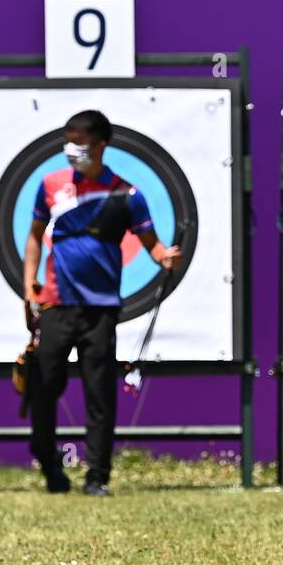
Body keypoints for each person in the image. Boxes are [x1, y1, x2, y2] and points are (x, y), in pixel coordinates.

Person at [22, 110, 182, 496]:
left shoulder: (126, 195)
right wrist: (29, 287)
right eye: (67, 140)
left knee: (99, 392)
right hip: (56, 304)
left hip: (100, 308)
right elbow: (33, 237)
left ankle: (97, 477)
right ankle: (48, 462)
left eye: (79, 142)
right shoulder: (51, 184)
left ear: (100, 146)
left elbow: (152, 244)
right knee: (45, 386)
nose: (70, 149)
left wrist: (164, 257)